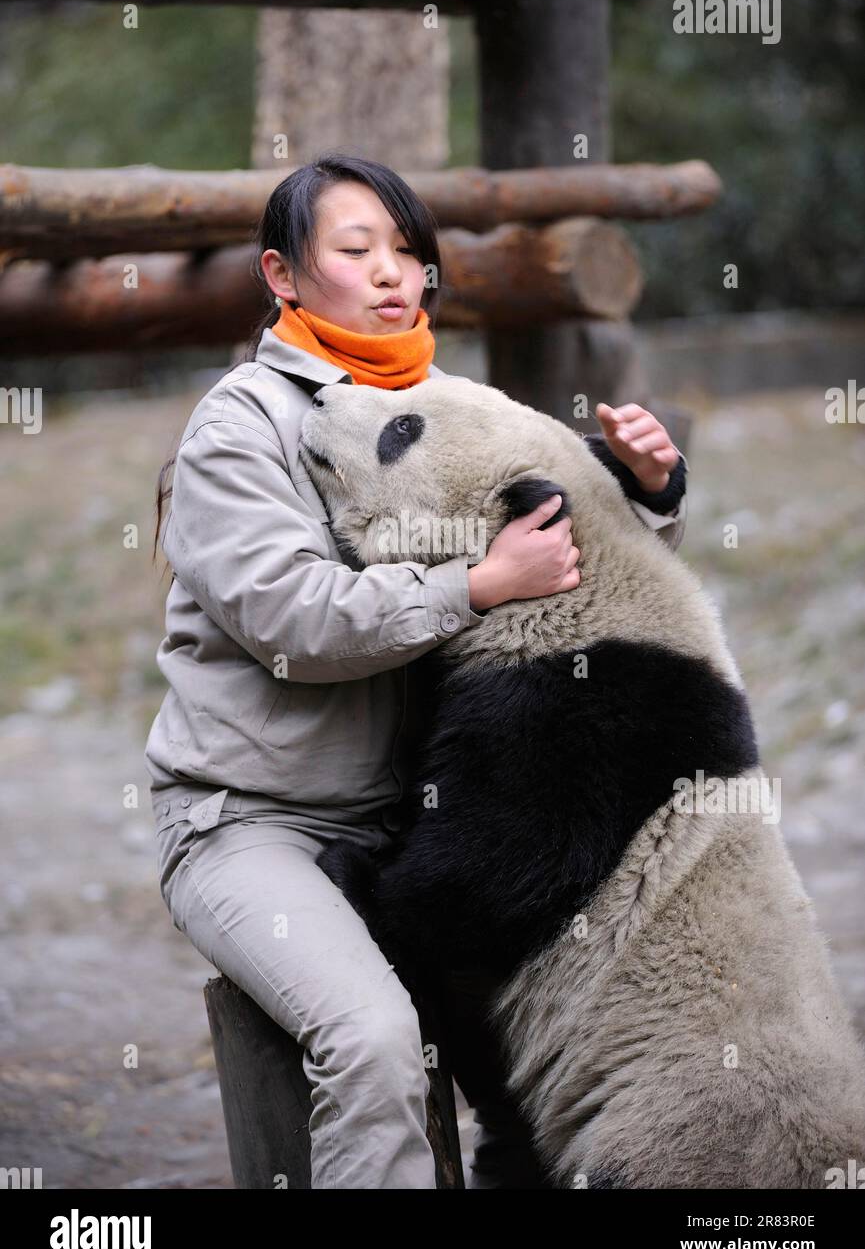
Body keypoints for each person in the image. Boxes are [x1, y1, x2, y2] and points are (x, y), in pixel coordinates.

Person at [145, 152, 687, 1189]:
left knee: (549, 1062)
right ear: (282, 275)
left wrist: (649, 489)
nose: (395, 273)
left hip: (419, 829)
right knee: (373, 1040)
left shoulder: (447, 401)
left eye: (408, 252)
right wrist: (476, 585)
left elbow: (570, 550)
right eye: (357, 250)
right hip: (250, 824)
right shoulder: (239, 425)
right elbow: (291, 621)